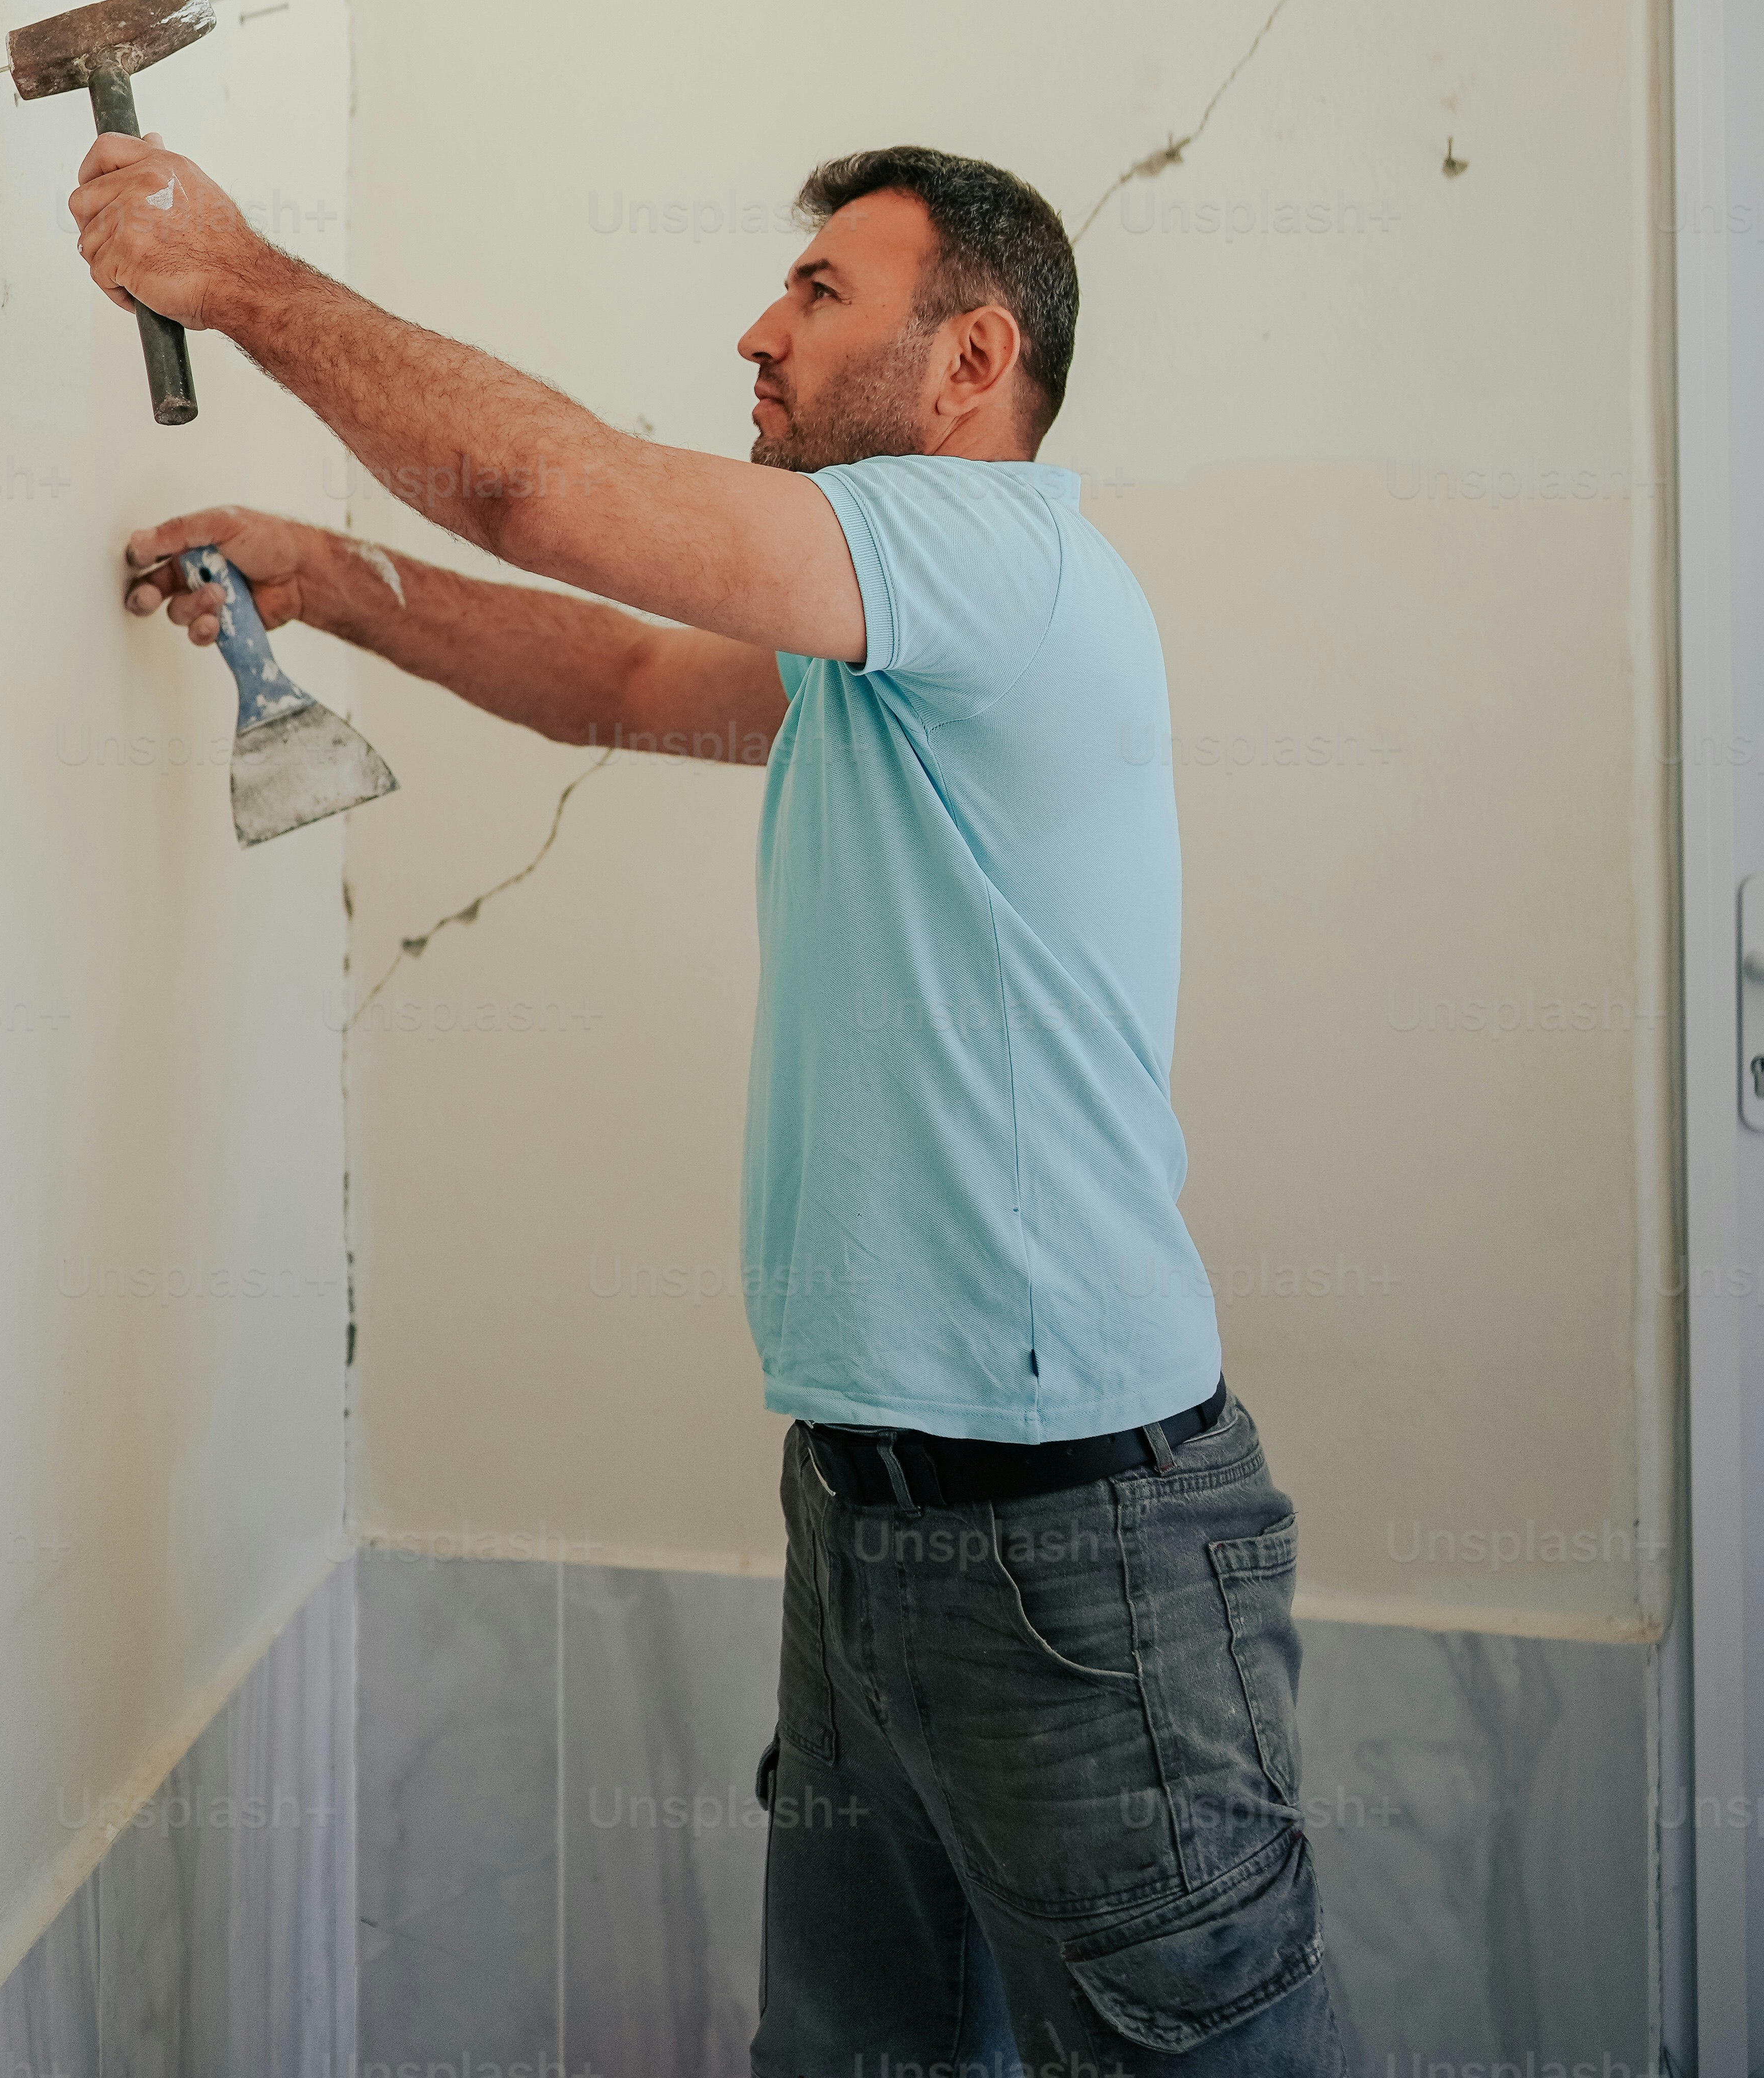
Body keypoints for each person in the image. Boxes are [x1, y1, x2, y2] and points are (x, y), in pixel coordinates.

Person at [69, 132, 1348, 2077]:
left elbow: (542, 493)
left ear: (970, 362)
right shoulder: (892, 656)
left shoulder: (1001, 560)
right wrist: (331, 580)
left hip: (1079, 1542)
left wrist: (233, 276)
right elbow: (614, 678)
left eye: (824, 295)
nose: (760, 329)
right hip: (879, 1515)